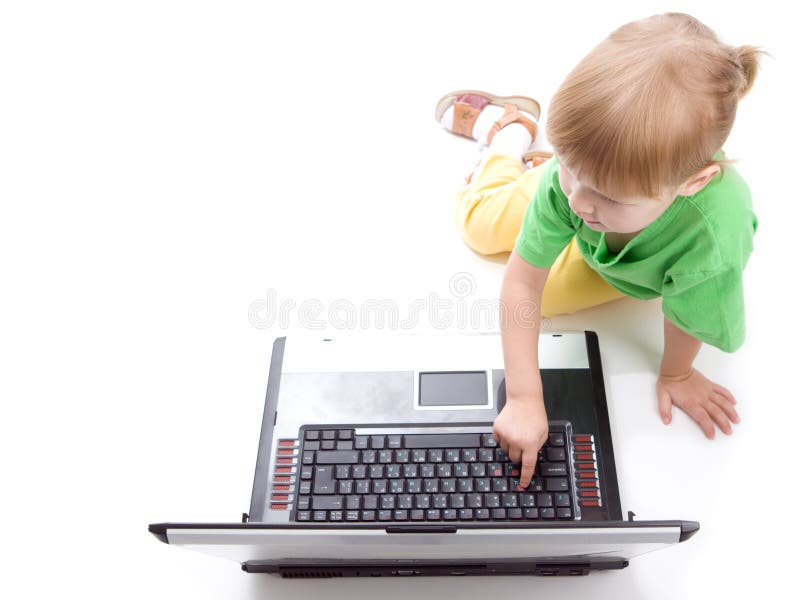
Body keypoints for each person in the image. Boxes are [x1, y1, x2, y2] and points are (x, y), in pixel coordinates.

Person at [435, 13, 764, 489]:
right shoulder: (572, 191)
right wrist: (525, 396)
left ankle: (551, 161)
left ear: (692, 184)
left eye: (612, 194)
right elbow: (523, 277)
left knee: (552, 303)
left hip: (618, 258)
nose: (578, 202)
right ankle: (509, 135)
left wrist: (676, 375)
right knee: (478, 227)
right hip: (588, 212)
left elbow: (687, 312)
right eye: (571, 168)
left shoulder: (712, 236)